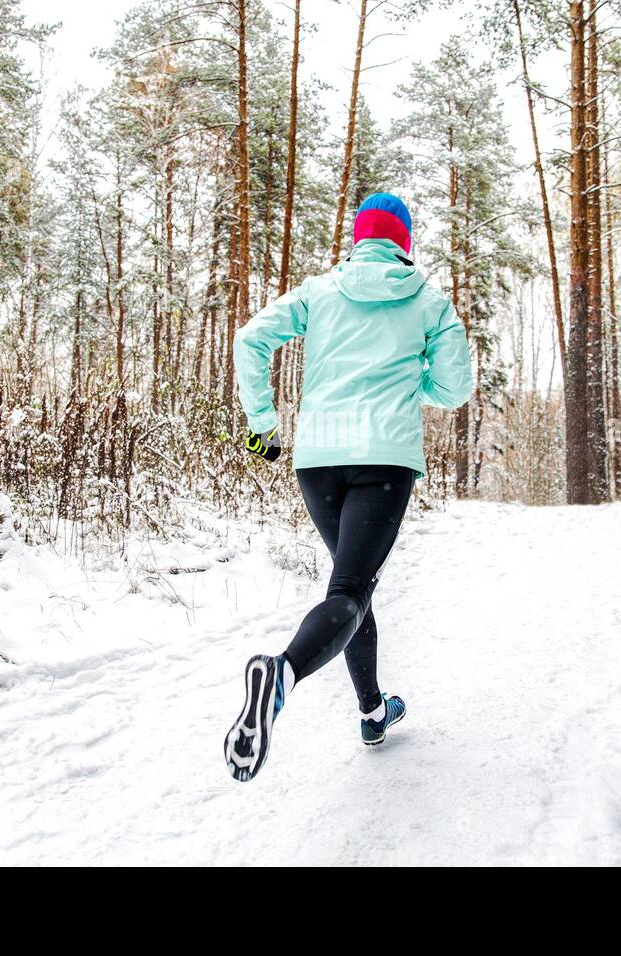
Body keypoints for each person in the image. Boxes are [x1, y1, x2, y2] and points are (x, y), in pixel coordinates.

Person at [223, 192, 473, 783]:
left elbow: (249, 340)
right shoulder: (430, 303)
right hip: (383, 460)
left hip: (318, 460)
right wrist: (414, 386)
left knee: (354, 588)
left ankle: (371, 712)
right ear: (404, 242)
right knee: (352, 588)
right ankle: (281, 672)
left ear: (358, 239)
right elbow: (455, 389)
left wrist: (264, 426)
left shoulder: (319, 291)